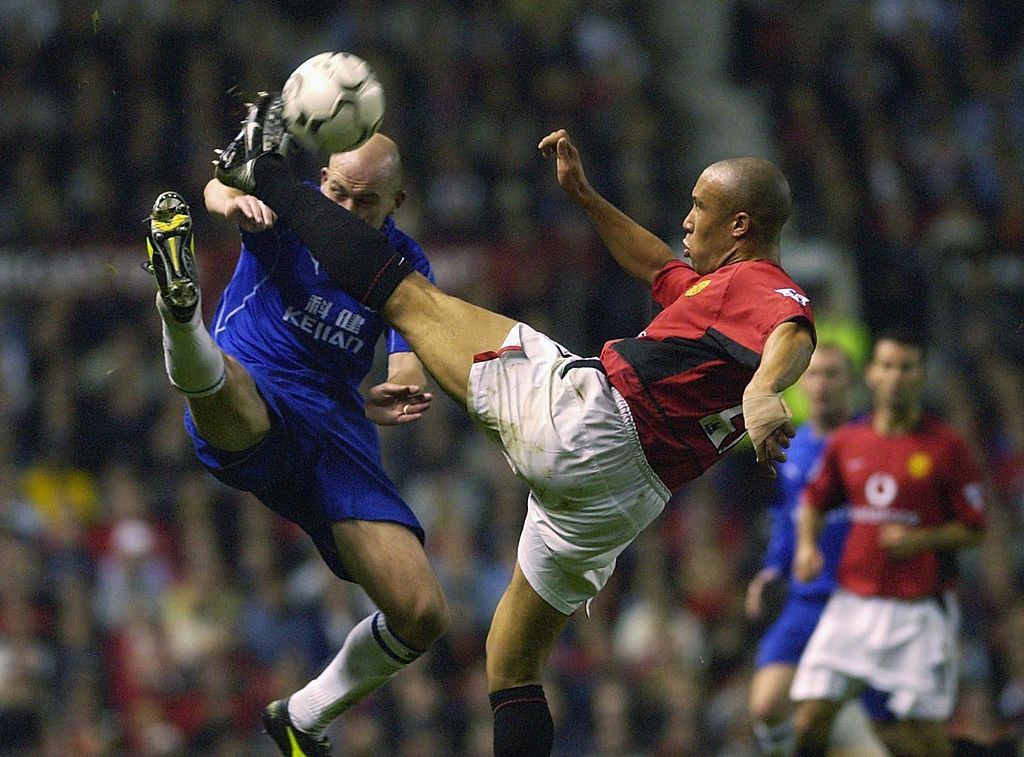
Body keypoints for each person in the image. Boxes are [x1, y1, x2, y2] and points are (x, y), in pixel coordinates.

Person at [213, 95, 817, 756]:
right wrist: (587, 199)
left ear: (738, 224)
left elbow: (791, 332)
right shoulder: (717, 291)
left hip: (593, 423)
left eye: (699, 206)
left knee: (409, 296)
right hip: (625, 499)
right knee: (512, 663)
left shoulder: (763, 285)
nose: (684, 217)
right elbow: (655, 266)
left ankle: (263, 170)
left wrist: (765, 389)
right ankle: (308, 717)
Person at [144, 133, 450, 757]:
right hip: (259, 385)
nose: (343, 210)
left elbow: (409, 363)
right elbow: (218, 185)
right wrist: (230, 202)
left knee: (422, 613)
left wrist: (395, 389)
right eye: (336, 191)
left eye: (365, 202)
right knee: (228, 386)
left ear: (397, 200)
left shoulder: (407, 266)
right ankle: (182, 319)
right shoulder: (291, 209)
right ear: (321, 180)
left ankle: (302, 718)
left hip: (337, 429)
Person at [790, 330, 987, 757]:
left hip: (918, 610)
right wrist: (808, 545)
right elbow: (814, 501)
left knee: (921, 740)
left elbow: (976, 526)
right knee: (807, 721)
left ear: (920, 375)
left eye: (907, 367)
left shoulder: (946, 446)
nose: (896, 376)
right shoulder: (848, 441)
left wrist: (922, 540)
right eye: (888, 366)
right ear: (871, 375)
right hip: (853, 603)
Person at [746, 344, 888, 755]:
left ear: (852, 383)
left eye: (832, 374)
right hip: (806, 599)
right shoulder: (789, 448)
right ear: (802, 384)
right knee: (767, 705)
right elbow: (785, 522)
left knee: (894, 730)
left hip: (864, 603)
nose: (822, 384)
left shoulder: (874, 443)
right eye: (814, 374)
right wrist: (771, 571)